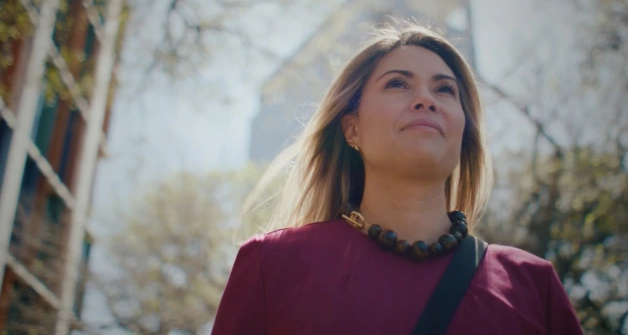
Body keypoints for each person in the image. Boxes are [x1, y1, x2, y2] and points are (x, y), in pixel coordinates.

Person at [211, 22, 583, 334]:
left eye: (444, 89)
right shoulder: (271, 265)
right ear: (352, 129)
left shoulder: (533, 285)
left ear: (463, 133)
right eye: (397, 84)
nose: (426, 99)